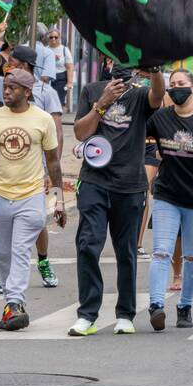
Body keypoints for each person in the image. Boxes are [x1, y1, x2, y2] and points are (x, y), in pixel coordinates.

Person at [69, 63, 165, 335]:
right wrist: (102, 103)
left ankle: (125, 314)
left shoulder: (140, 94)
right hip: (94, 180)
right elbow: (80, 133)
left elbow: (158, 96)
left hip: (130, 184)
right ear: (108, 63)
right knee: (88, 244)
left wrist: (155, 69)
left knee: (126, 250)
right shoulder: (92, 90)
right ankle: (87, 314)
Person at [0, 22, 64, 293]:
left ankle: (43, 262)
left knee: (34, 225)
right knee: (10, 237)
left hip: (37, 169)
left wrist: (50, 176)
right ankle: (7, 275)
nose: (7, 68)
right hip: (5, 176)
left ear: (26, 67)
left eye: (12, 63)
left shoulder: (45, 93)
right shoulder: (5, 86)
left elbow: (55, 132)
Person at [0, 70, 65, 331]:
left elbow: (53, 161)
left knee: (21, 250)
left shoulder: (43, 120)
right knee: (4, 255)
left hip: (31, 196)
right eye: (6, 87)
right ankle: (11, 304)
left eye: (13, 87)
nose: (6, 91)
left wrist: (57, 199)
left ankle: (15, 303)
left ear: (27, 92)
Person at [144, 70, 193, 330]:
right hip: (167, 195)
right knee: (161, 251)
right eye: (172, 85)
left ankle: (185, 306)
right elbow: (141, 138)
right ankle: (156, 305)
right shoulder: (160, 118)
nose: (176, 88)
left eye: (182, 84)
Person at [44, 27, 75, 109]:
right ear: (48, 38)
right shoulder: (45, 49)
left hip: (60, 80)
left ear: (59, 38)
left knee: (58, 103)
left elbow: (70, 67)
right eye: (51, 37)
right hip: (47, 79)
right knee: (48, 103)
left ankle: (57, 120)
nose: (53, 39)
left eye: (56, 37)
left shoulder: (64, 50)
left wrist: (69, 82)